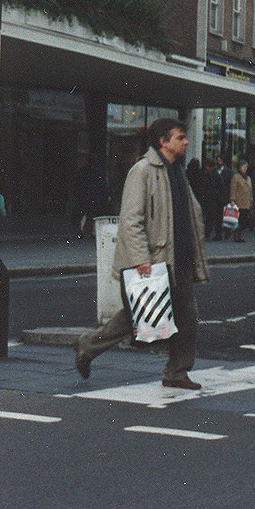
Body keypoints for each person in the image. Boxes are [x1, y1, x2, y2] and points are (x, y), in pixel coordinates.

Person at [74, 119, 208, 389]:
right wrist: (140, 259)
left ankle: (177, 372)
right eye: (180, 137)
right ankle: (87, 346)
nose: (186, 142)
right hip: (155, 260)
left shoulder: (178, 172)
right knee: (136, 317)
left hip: (178, 258)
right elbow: (131, 220)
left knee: (187, 318)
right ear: (163, 141)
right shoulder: (143, 171)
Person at [73, 152, 111, 237]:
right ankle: (92, 232)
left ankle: (81, 230)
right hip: (96, 197)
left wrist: (76, 194)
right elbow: (103, 184)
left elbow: (77, 184)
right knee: (94, 215)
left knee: (84, 213)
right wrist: (107, 195)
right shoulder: (99, 171)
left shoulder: (82, 170)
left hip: (83, 196)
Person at [229, 160, 253, 243]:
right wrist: (232, 199)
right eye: (243, 167)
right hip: (238, 202)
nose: (245, 168)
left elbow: (251, 190)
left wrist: (251, 200)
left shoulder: (248, 178)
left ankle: (240, 233)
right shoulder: (236, 177)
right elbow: (233, 189)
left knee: (244, 220)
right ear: (239, 168)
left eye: (246, 167)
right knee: (238, 220)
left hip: (246, 202)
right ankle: (237, 234)